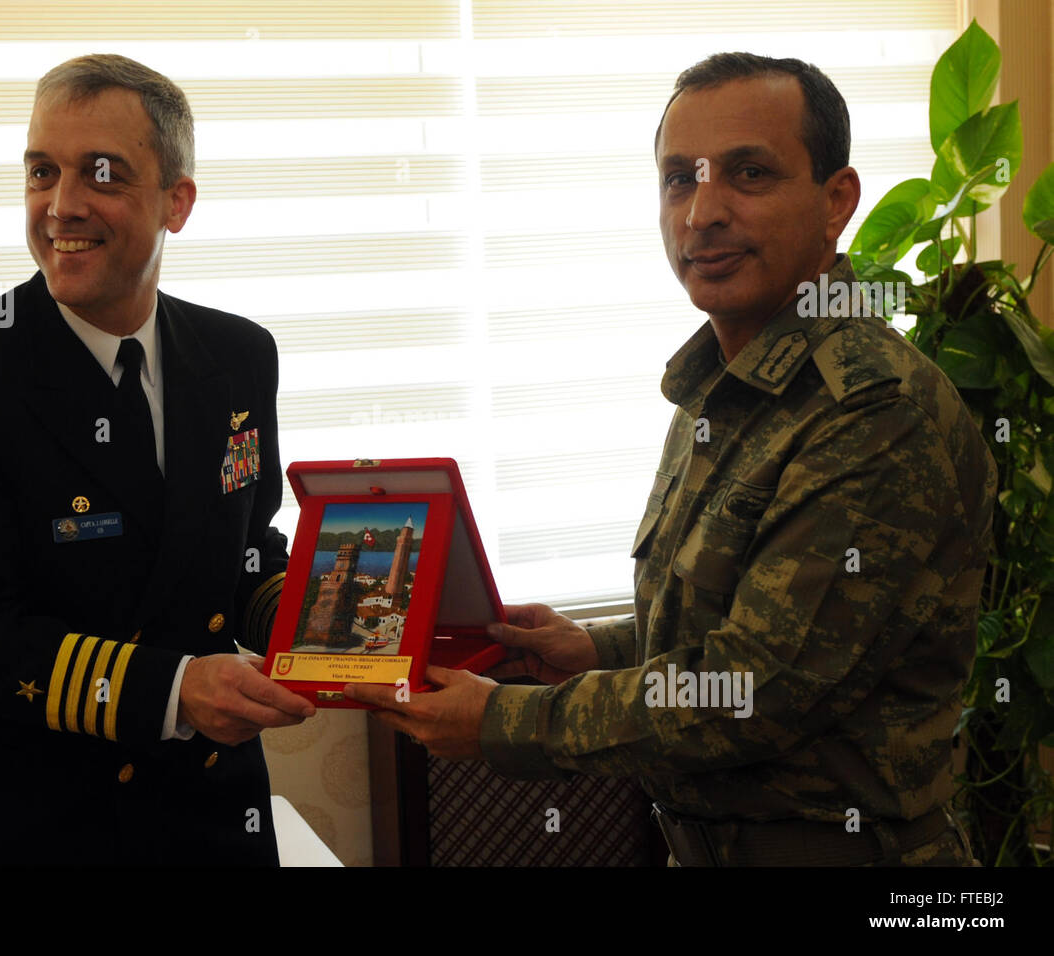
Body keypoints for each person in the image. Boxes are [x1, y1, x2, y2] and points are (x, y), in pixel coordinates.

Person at [345, 53, 998, 866]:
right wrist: (596, 648)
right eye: (678, 181)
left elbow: (752, 689)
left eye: (748, 174)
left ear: (837, 202)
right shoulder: (721, 386)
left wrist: (503, 721)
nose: (702, 213)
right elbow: (723, 622)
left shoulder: (870, 408)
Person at [0, 54, 314, 866]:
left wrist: (337, 618)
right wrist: (178, 688)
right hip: (29, 831)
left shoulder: (239, 355)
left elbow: (244, 553)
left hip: (211, 819)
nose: (61, 206)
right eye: (42, 171)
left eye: (101, 174)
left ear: (176, 201)